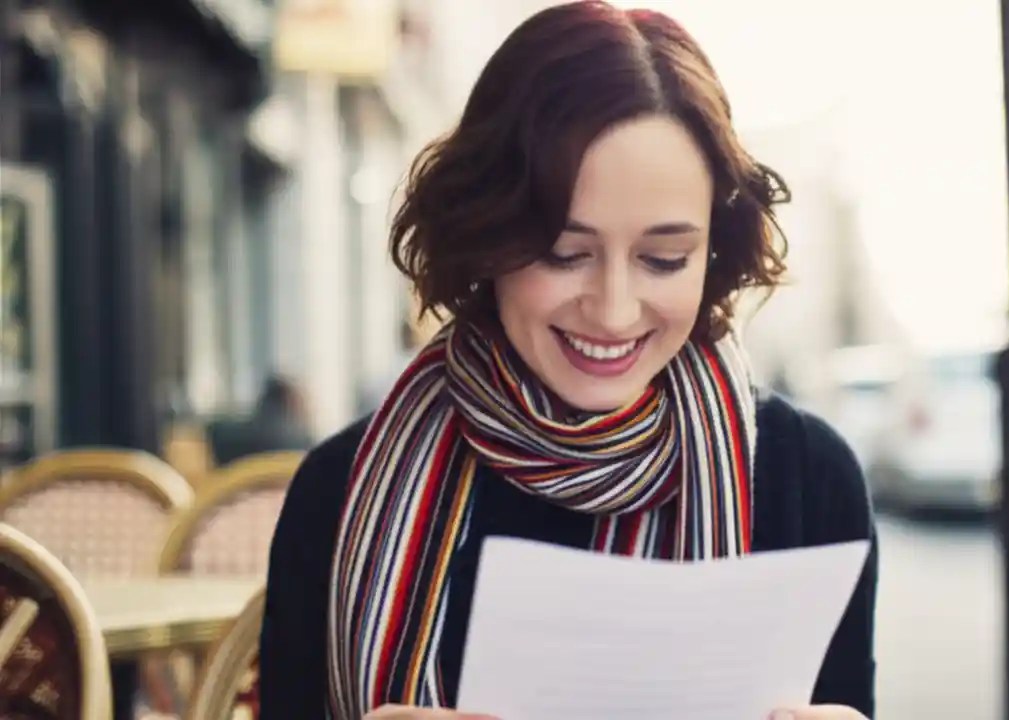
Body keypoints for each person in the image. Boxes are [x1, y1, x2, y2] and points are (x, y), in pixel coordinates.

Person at [259, 3, 877, 719]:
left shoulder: (807, 478)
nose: (614, 310)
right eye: (564, 253)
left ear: (714, 253)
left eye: (663, 258)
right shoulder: (337, 487)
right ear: (485, 238)